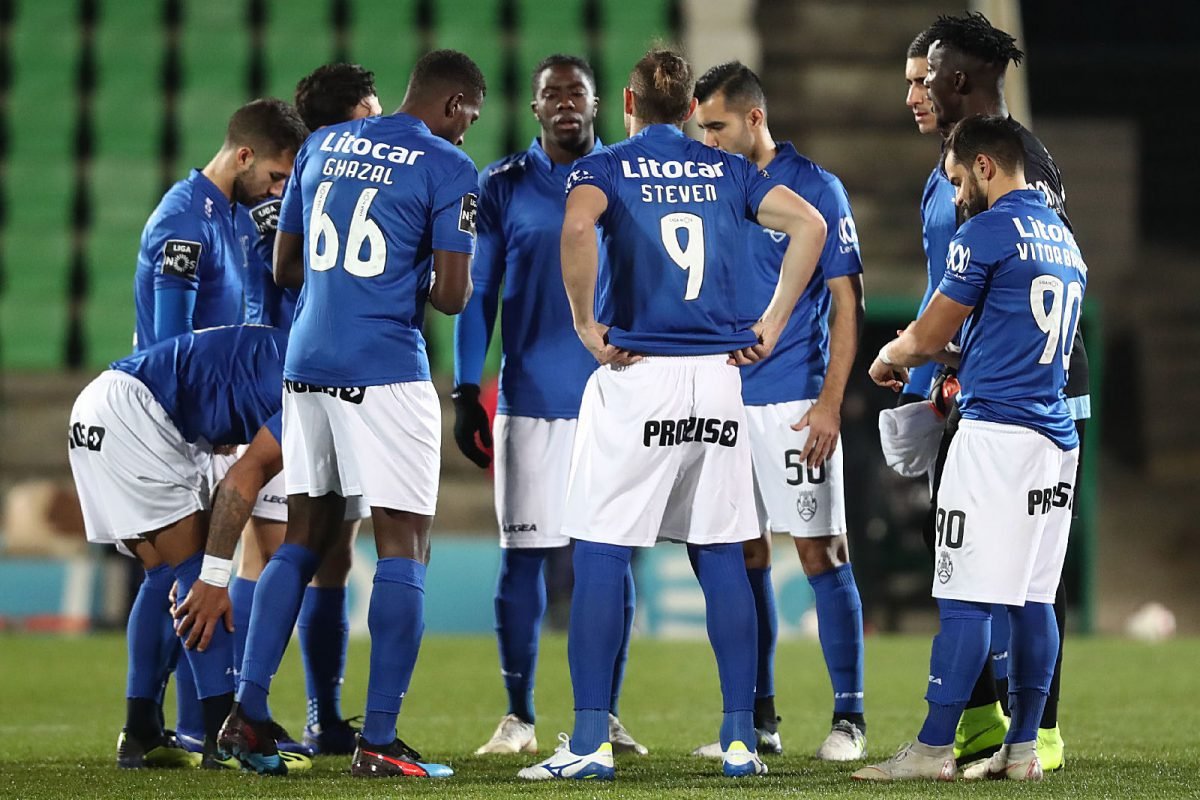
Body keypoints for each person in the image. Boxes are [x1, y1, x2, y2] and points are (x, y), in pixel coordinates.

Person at [518, 46, 827, 782]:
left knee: (599, 548)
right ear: (691, 110)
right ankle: (739, 738)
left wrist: (587, 325)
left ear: (628, 106)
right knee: (720, 551)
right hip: (720, 382)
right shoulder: (728, 169)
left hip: (640, 374)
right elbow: (809, 226)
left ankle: (590, 741)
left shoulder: (607, 167)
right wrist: (774, 323)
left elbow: (574, 230)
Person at [219, 49, 486, 779]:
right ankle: (381, 739)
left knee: (304, 534)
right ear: (457, 106)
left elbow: (285, 267)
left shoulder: (324, 144)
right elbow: (453, 298)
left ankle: (246, 715)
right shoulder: (449, 167)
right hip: (386, 368)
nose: (468, 130)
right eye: (471, 116)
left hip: (307, 365)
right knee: (404, 542)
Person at [855, 114, 1085, 783]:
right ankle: (1021, 750)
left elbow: (926, 339)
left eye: (959, 179)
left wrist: (892, 355)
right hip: (1055, 439)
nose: (956, 194)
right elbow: (1018, 334)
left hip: (994, 441)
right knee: (1034, 599)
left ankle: (929, 750)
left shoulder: (985, 231)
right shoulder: (1065, 241)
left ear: (985, 165)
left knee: (966, 600)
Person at [452, 53, 645, 757]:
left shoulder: (626, 176)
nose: (565, 102)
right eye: (551, 93)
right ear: (534, 107)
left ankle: (607, 714)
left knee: (610, 563)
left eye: (577, 92)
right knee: (522, 560)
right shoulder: (501, 186)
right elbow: (476, 295)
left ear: (599, 104)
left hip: (613, 399)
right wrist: (465, 387)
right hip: (530, 400)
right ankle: (518, 716)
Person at [922, 11, 1088, 771]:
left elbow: (1030, 281)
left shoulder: (1023, 164)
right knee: (971, 554)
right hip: (974, 379)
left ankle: (1038, 730)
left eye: (927, 78)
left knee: (1023, 568)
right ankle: (989, 724)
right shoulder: (954, 164)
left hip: (1029, 388)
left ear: (958, 81)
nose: (918, 92)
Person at [120, 98, 307, 766]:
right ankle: (169, 723)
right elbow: (170, 348)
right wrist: (199, 419)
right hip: (173, 420)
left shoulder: (227, 218)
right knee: (177, 574)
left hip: (202, 424)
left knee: (178, 575)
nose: (280, 191)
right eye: (279, 177)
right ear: (246, 155)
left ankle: (161, 725)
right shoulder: (183, 221)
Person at [691, 61, 867, 761]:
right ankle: (759, 719)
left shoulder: (815, 189)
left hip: (795, 400)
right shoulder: (712, 189)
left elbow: (849, 306)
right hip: (725, 402)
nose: (706, 140)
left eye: (717, 126)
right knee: (745, 553)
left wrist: (830, 404)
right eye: (699, 126)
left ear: (754, 119)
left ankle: (848, 720)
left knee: (821, 551)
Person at [67, 325, 309, 775]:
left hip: (100, 406)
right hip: (135, 414)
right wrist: (216, 574)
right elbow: (247, 476)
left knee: (163, 575)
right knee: (200, 576)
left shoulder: (289, 348)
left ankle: (141, 728)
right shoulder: (313, 377)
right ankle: (226, 739)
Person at [230, 63, 383, 757]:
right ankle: (233, 706)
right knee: (282, 545)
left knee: (329, 551)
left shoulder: (317, 181)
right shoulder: (308, 187)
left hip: (313, 377)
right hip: (300, 382)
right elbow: (279, 282)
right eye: (371, 113)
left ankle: (317, 716)